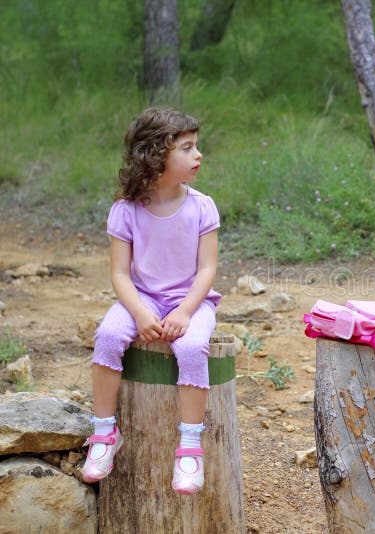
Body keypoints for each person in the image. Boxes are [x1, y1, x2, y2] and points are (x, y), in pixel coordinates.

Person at [83, 108, 221, 493]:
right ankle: (104, 434)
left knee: (192, 347)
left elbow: (207, 270)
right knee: (109, 336)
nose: (199, 155)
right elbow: (120, 275)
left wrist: (184, 311)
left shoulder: (201, 206)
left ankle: (190, 447)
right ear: (157, 154)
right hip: (139, 298)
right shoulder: (126, 210)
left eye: (197, 146)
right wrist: (141, 311)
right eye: (188, 148)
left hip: (191, 301)